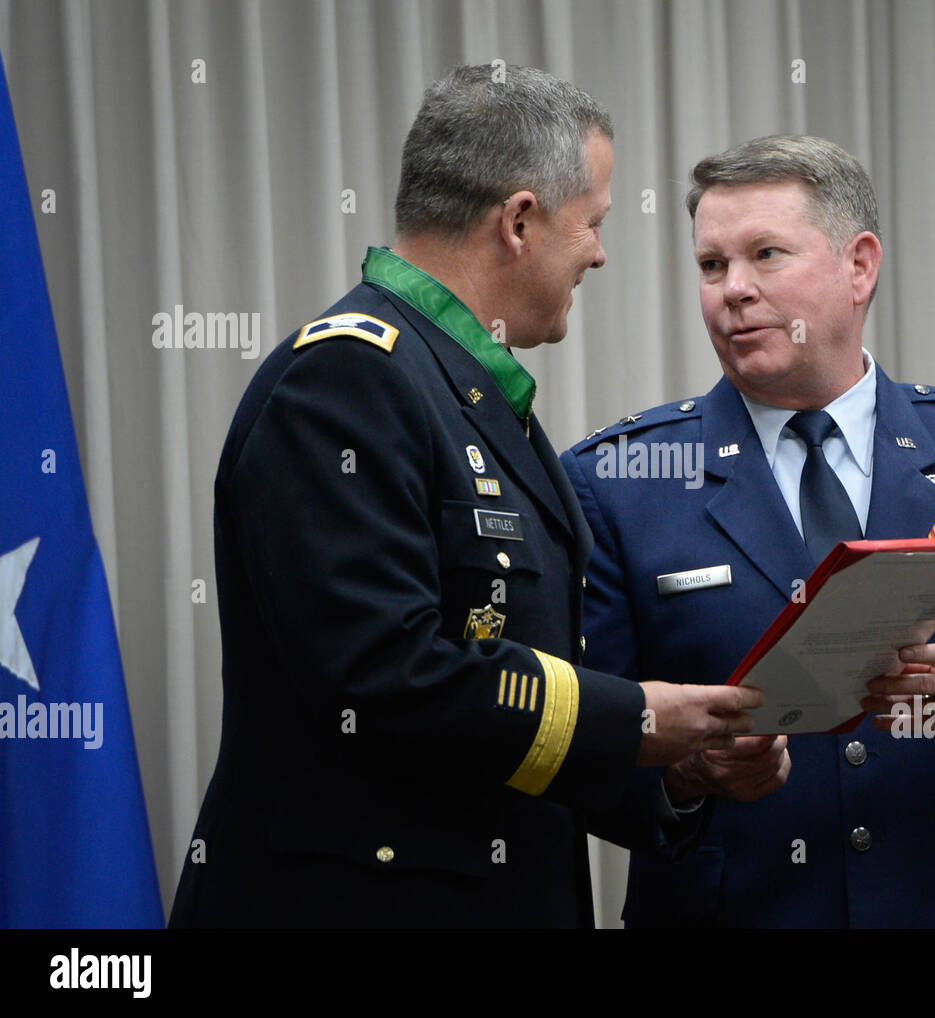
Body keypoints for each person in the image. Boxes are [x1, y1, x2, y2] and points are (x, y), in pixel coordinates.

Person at [168, 65, 772, 929]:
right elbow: (385, 678)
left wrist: (673, 771)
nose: (600, 253)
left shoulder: (464, 389)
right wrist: (637, 716)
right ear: (520, 221)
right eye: (593, 223)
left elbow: (513, 708)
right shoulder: (347, 379)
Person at [562, 135, 935, 927]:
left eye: (765, 254)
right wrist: (686, 775)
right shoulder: (619, 480)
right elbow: (580, 739)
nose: (733, 289)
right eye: (711, 265)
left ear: (859, 265)